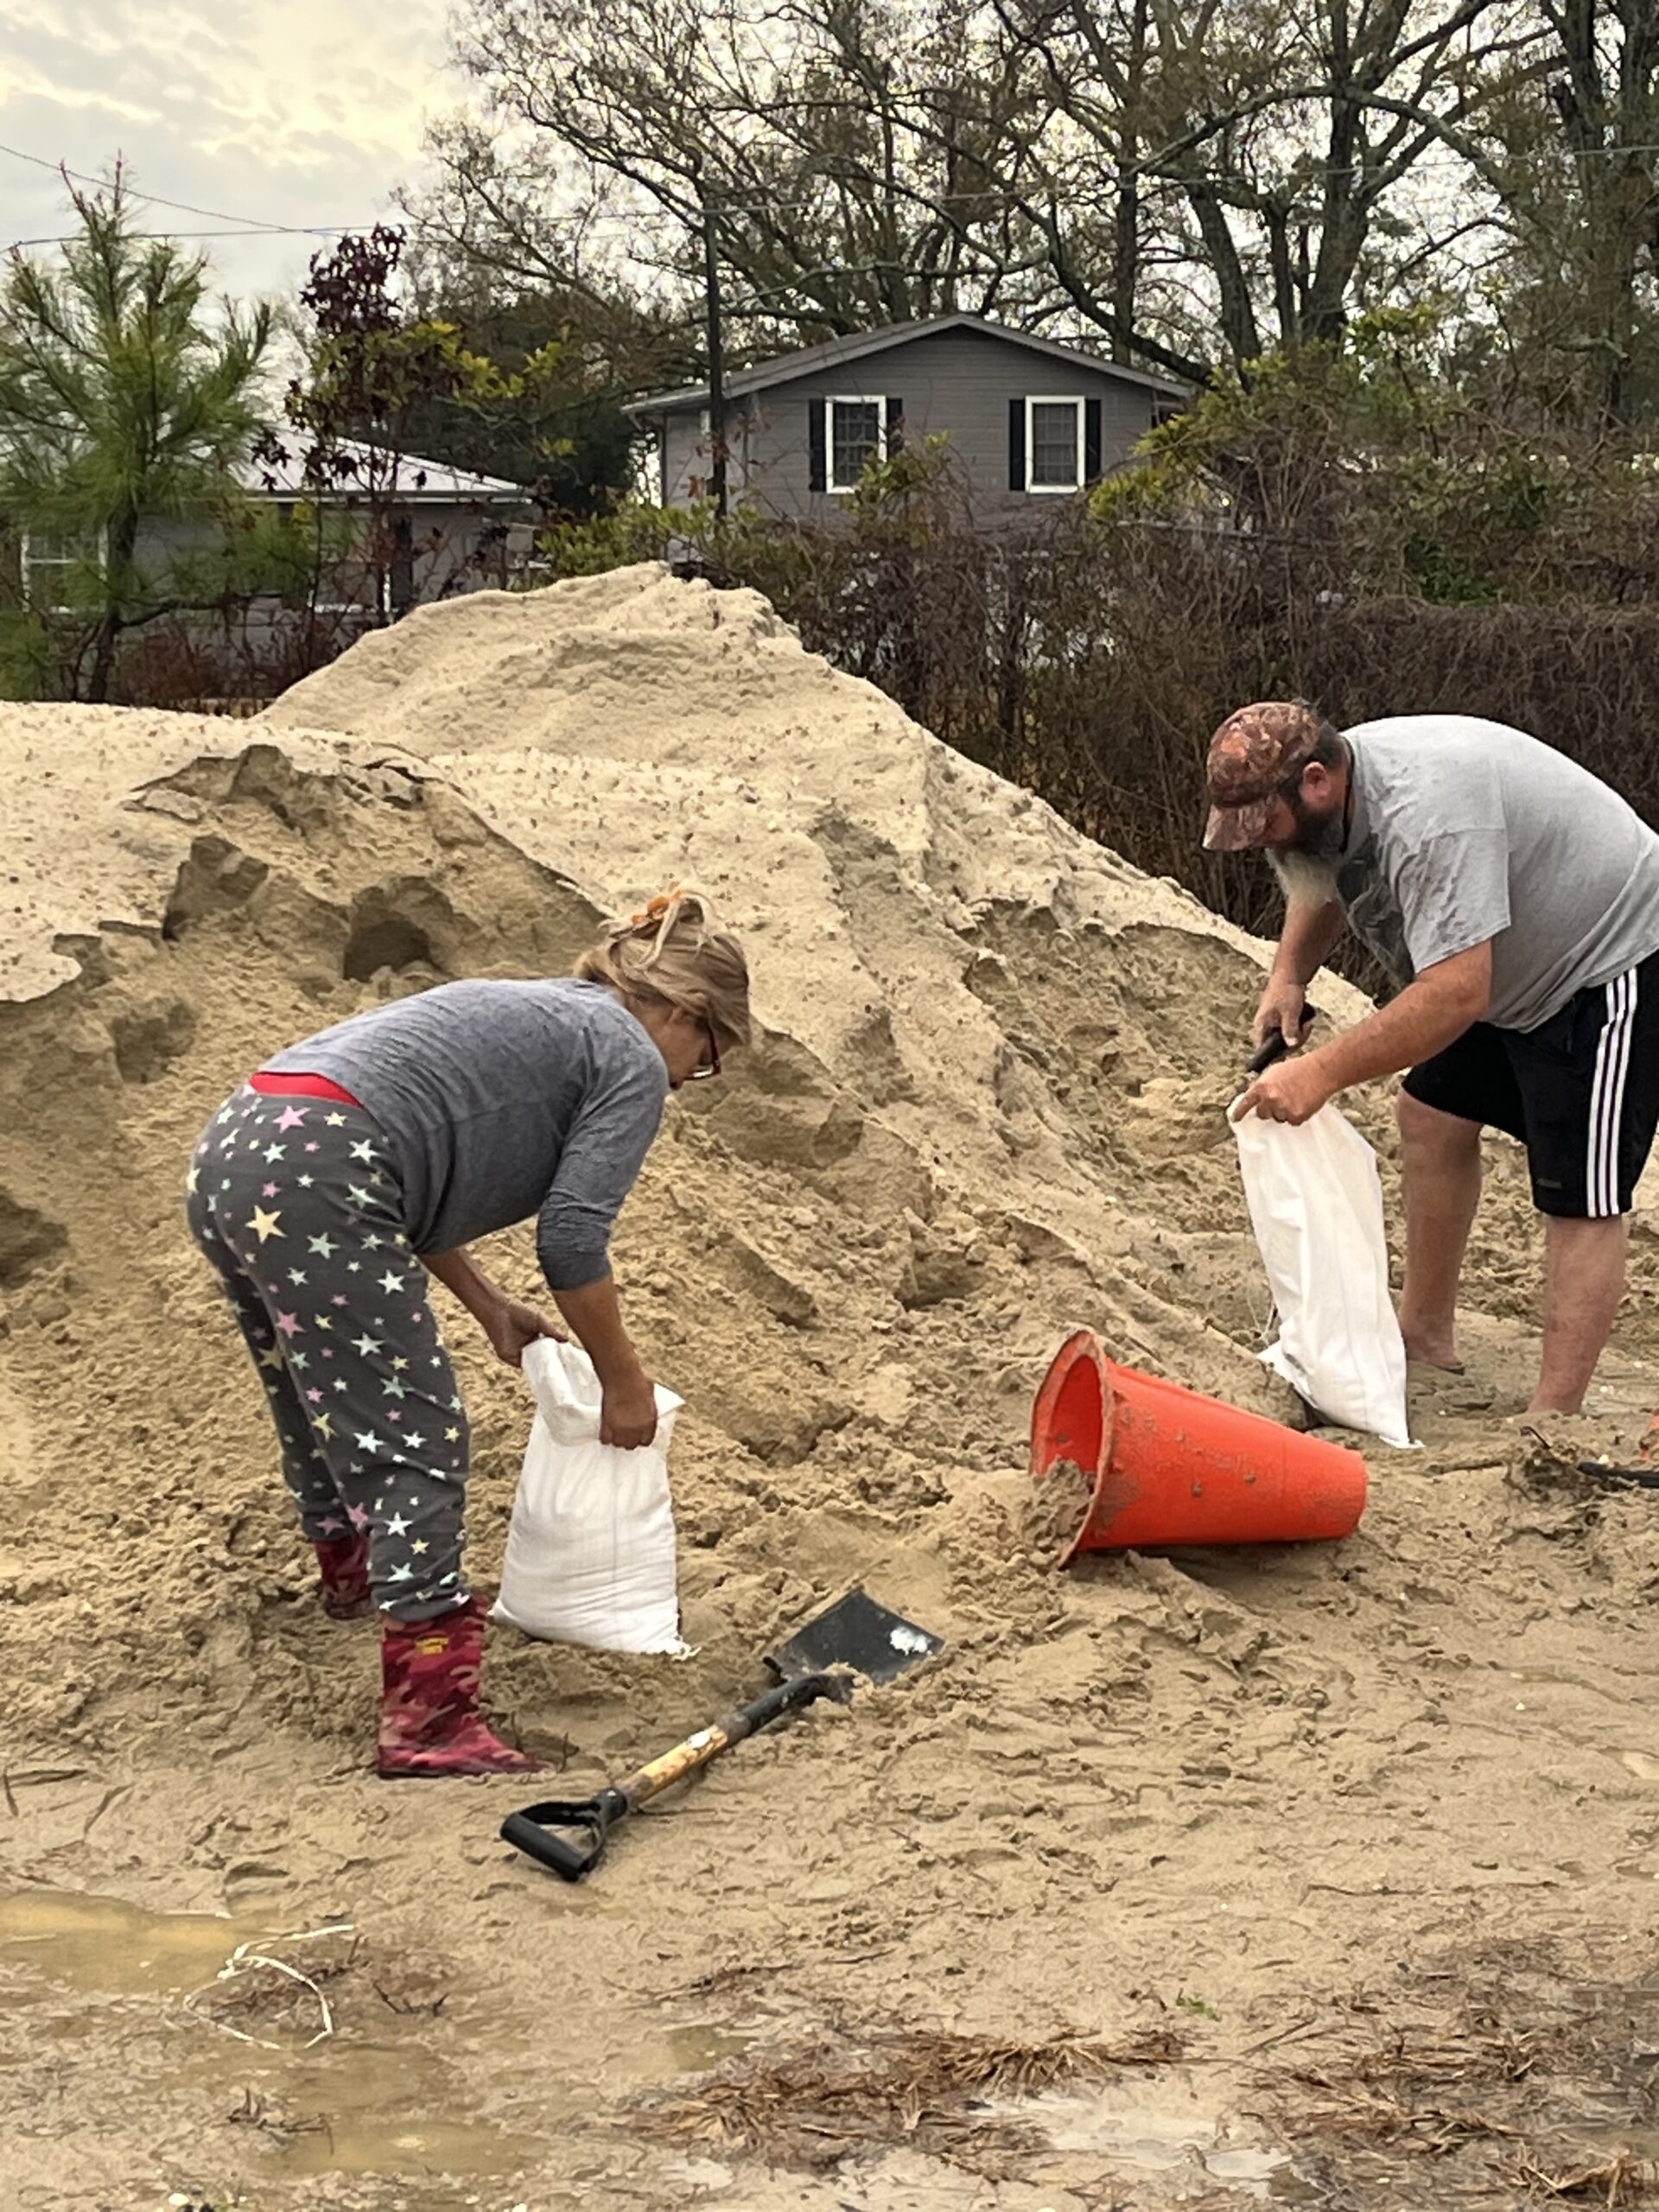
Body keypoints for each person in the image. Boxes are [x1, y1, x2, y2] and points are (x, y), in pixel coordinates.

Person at [187, 889, 750, 1777]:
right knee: (417, 1430)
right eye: (707, 1058)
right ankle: (430, 1716)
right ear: (684, 1011)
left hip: (243, 1145)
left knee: (312, 1390)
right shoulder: (627, 1055)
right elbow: (572, 1239)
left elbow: (413, 1163)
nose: (688, 1080)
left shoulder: (547, 1014)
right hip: (323, 1165)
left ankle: (354, 1573)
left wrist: (488, 1304)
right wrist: (623, 1379)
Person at [1208, 701, 1659, 1416]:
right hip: (1503, 964)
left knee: (1582, 1194)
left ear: (1317, 780)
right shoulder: (1339, 798)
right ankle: (1424, 1334)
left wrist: (1320, 1072)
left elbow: (1454, 993)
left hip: (1608, 960)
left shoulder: (1428, 816)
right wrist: (1289, 976)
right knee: (1431, 1114)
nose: (1260, 839)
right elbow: (1319, 874)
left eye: (1266, 821)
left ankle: (1554, 1418)